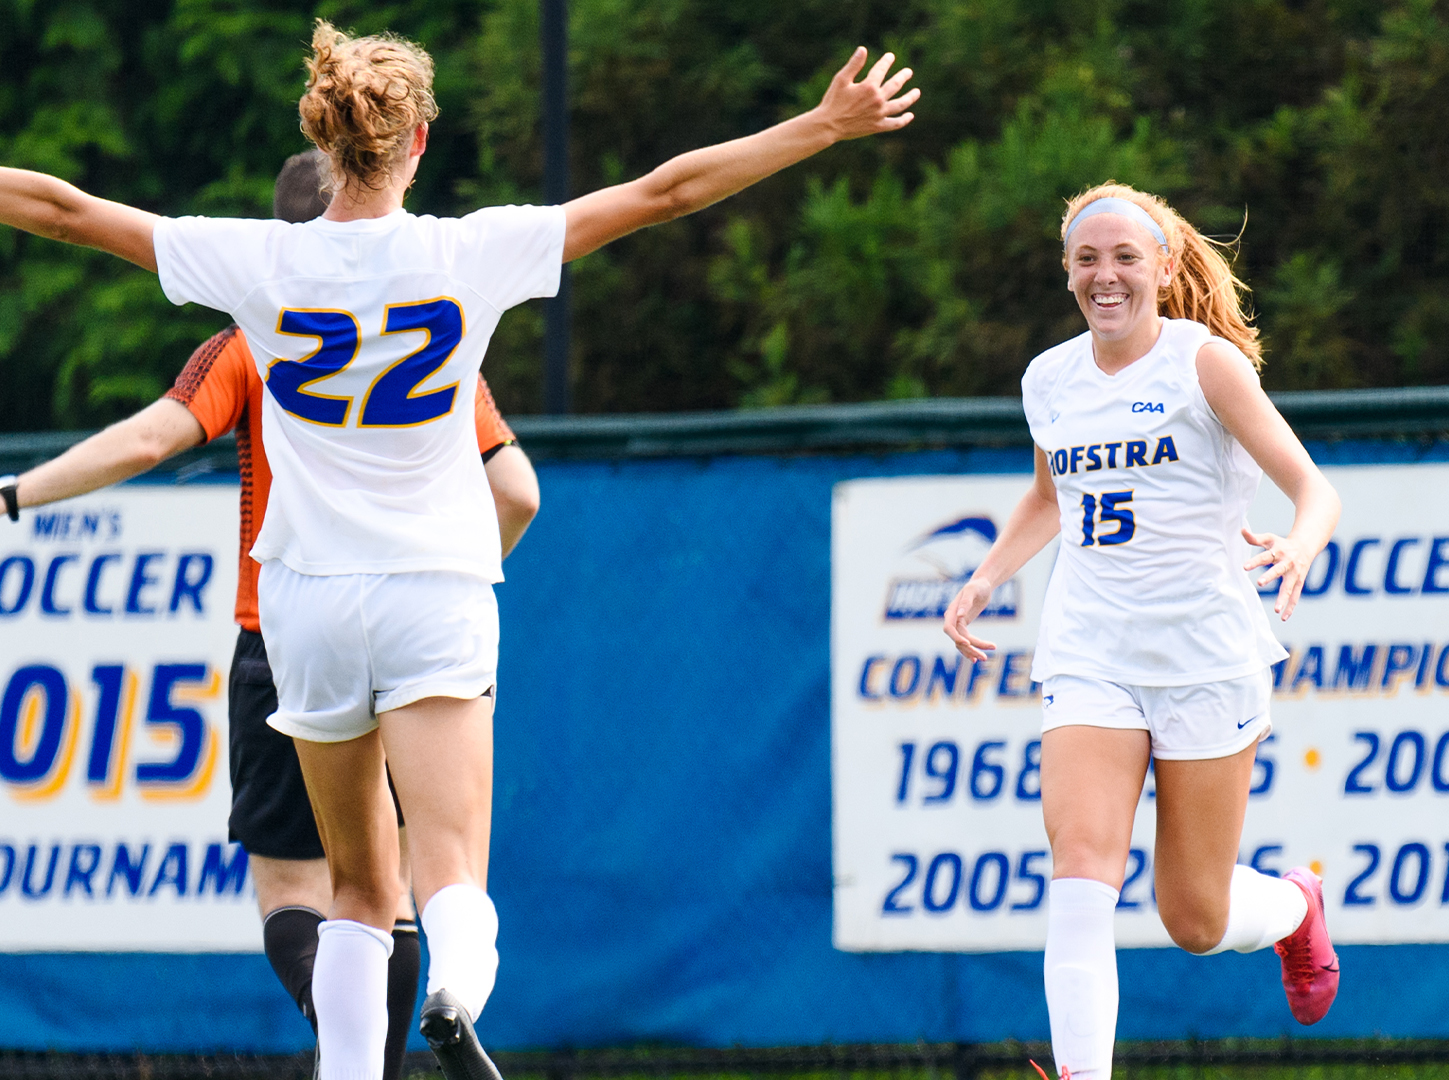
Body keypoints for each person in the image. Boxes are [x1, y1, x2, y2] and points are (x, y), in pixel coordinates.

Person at [0, 20, 916, 1080]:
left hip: (303, 601)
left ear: (323, 138)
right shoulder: (467, 252)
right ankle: (456, 991)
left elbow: (64, 210)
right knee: (447, 870)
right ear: (419, 141)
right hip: (435, 583)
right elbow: (665, 192)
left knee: (352, 887)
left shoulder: (257, 261)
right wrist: (817, 125)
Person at [0, 148, 536, 1080]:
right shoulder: (441, 321)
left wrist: (19, 496)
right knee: (411, 889)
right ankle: (427, 1021)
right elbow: (517, 490)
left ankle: (348, 1056)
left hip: (287, 634)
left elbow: (154, 433)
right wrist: (457, 577)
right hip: (425, 616)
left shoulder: (259, 324)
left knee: (312, 897)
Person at [941, 183, 1343, 1080]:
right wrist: (985, 576)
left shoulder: (1204, 365)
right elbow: (1052, 498)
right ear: (1067, 272)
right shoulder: (1049, 378)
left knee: (1193, 920)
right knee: (1082, 869)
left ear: (1164, 267)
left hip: (1205, 654)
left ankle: (1291, 907)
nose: (1106, 275)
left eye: (1126, 257)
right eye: (1088, 259)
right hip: (1090, 651)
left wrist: (1299, 547)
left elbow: (1316, 489)